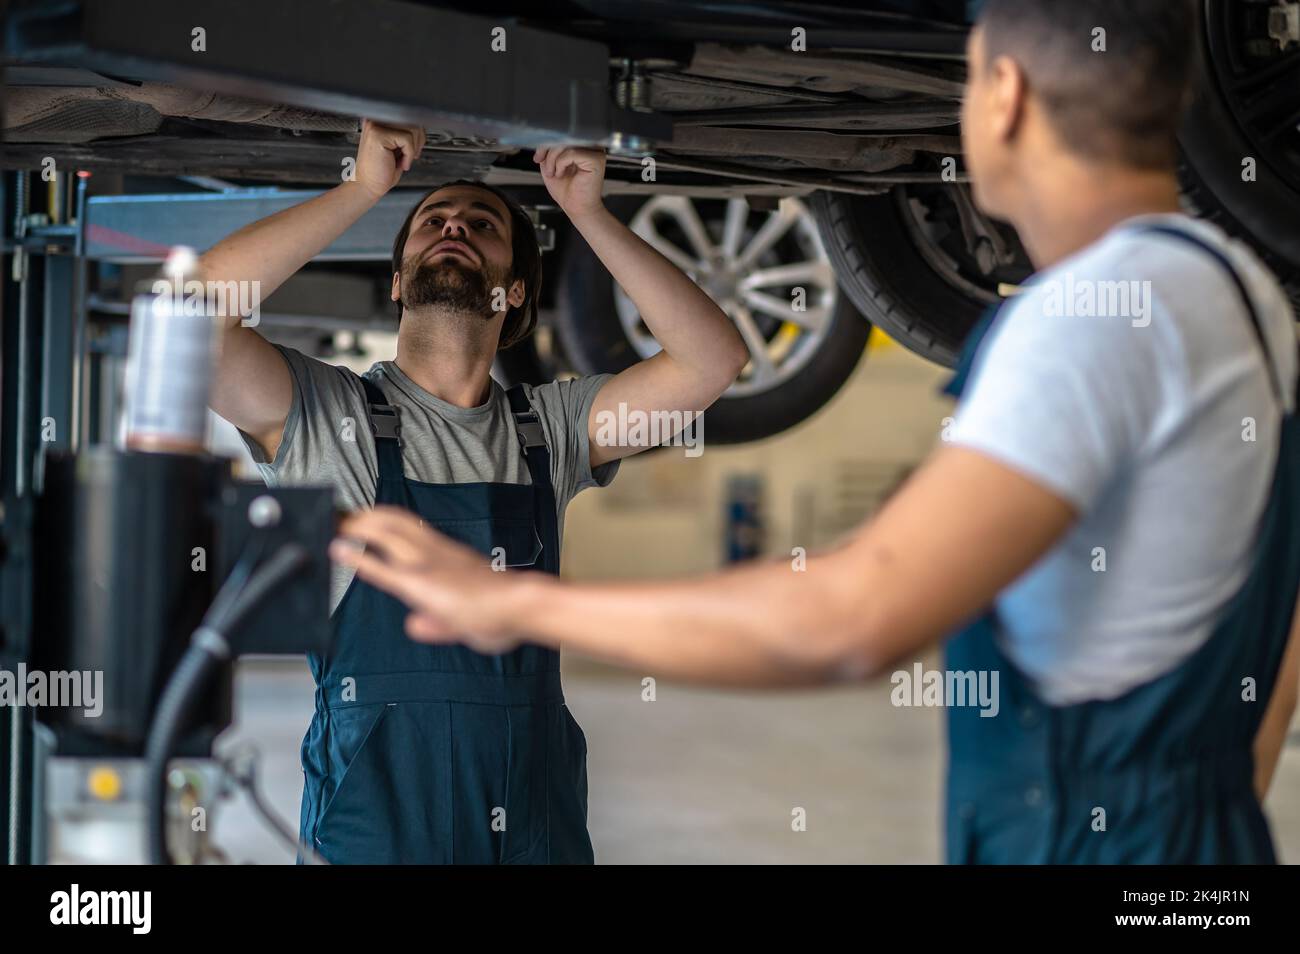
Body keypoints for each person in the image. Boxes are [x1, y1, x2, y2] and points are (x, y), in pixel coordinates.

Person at [332, 0, 1300, 863]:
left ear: (1001, 95)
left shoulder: (1085, 322)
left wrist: (516, 609)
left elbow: (849, 620)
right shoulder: (1242, 295)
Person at [203, 120, 748, 863]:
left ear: (513, 290)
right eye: (432, 222)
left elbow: (712, 360)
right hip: (377, 823)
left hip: (530, 821)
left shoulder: (549, 429)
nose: (453, 225)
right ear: (397, 281)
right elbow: (191, 319)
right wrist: (363, 188)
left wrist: (589, 212)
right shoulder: (329, 417)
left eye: (482, 225)